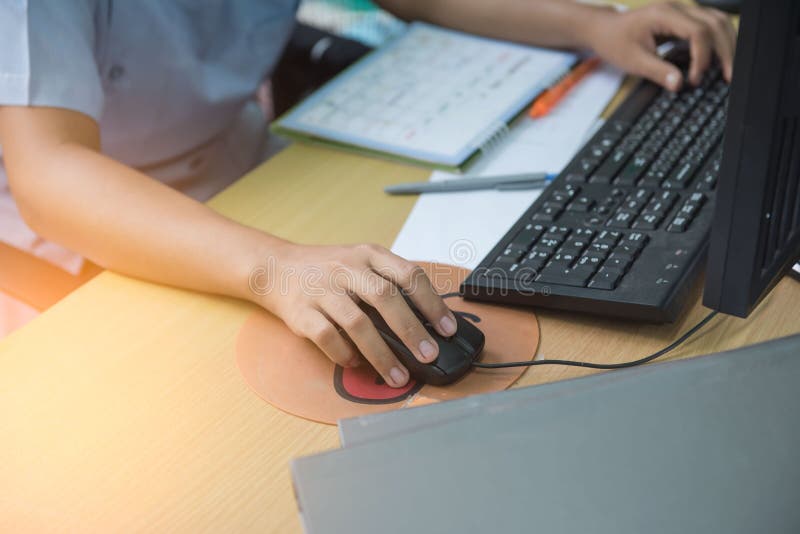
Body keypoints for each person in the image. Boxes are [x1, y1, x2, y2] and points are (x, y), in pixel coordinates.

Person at [0, 1, 735, 387]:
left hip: (248, 161)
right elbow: (50, 171)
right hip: (91, 220)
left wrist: (594, 24)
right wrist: (275, 268)